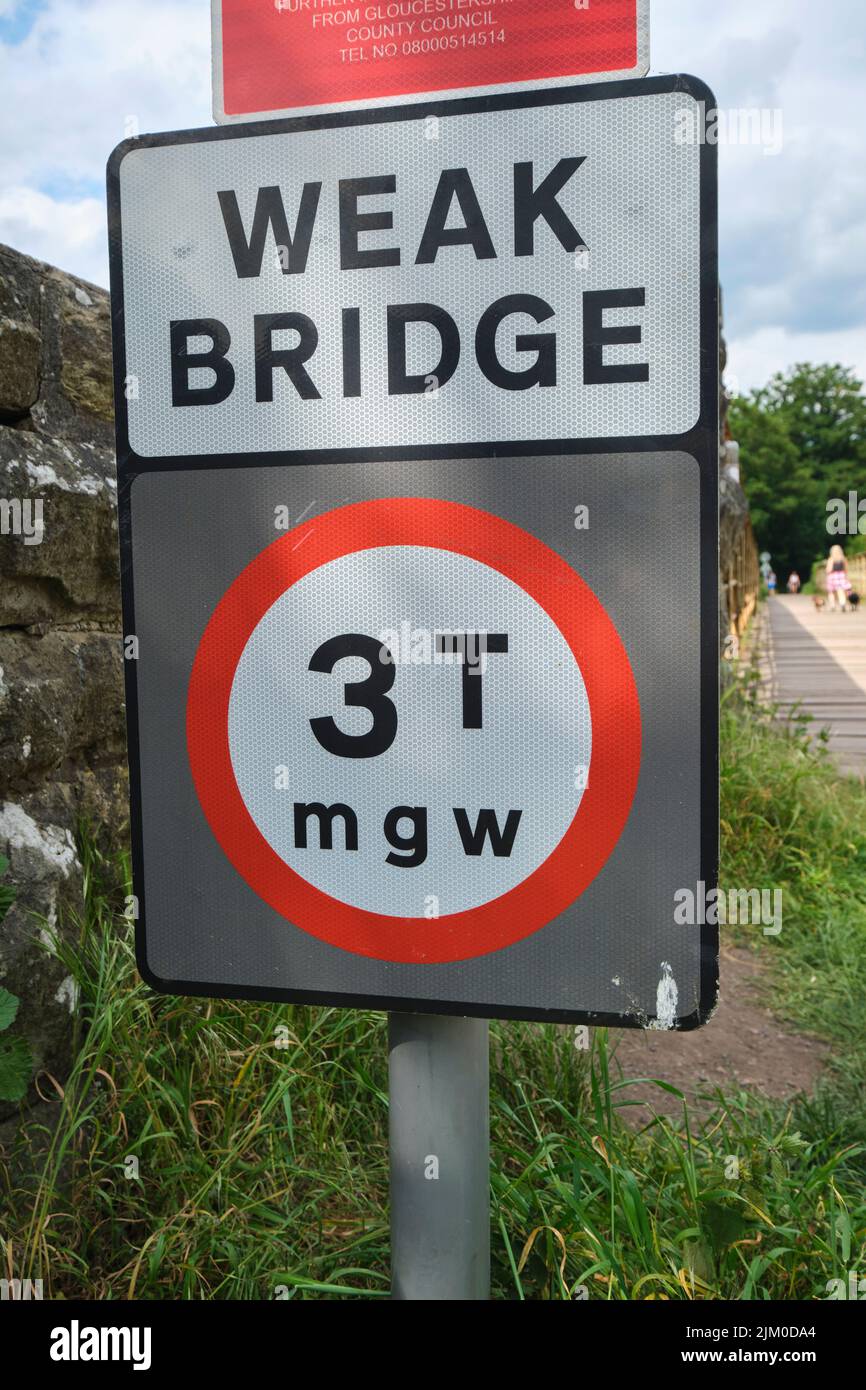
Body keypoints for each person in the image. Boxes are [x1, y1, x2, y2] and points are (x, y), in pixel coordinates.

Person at [825, 543, 851, 611]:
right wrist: (846, 577)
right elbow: (846, 569)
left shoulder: (831, 559)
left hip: (833, 576)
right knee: (841, 591)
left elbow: (828, 570)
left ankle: (832, 605)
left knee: (831, 592)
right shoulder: (843, 558)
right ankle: (842, 603)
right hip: (841, 575)